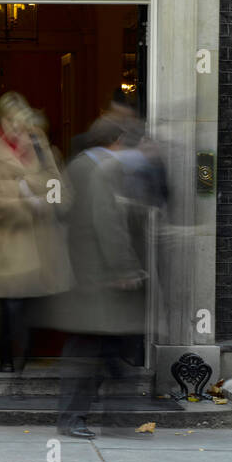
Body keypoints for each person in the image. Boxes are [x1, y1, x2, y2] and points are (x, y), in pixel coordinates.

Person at [43, 115, 149, 438]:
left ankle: (99, 417)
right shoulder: (104, 169)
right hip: (97, 279)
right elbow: (109, 223)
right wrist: (124, 269)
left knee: (100, 350)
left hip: (80, 274)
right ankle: (74, 418)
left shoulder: (76, 166)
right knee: (86, 352)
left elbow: (59, 210)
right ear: (115, 141)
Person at [0, 92, 73, 372]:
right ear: (0, 119)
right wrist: (24, 195)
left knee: (29, 303)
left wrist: (32, 188)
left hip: (39, 238)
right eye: (12, 120)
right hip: (4, 239)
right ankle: (9, 358)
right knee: (8, 303)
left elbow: (59, 191)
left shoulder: (39, 145)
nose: (18, 127)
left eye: (21, 120)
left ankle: (23, 356)